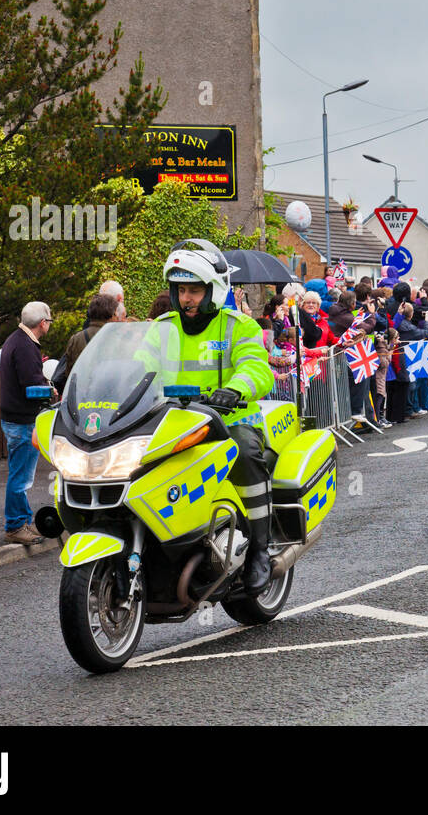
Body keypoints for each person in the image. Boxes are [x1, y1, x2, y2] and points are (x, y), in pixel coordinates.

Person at [156, 240, 275, 592]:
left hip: (230, 420)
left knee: (244, 452)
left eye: (194, 290)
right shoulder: (161, 328)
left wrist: (235, 389)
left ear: (213, 290)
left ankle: (259, 549)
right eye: (181, 291)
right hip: (171, 423)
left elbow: (257, 368)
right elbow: (134, 369)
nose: (186, 299)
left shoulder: (238, 326)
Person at [0, 301, 58, 545]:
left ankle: (22, 520)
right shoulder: (25, 346)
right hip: (22, 420)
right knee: (21, 476)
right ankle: (15, 525)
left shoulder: (15, 340)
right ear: (43, 323)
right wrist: (51, 391)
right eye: (49, 321)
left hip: (13, 417)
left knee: (20, 473)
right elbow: (31, 383)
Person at [53, 293, 117, 393]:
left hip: (81, 395)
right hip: (107, 396)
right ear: (111, 315)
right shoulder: (115, 338)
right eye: (115, 314)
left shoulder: (76, 339)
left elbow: (69, 371)